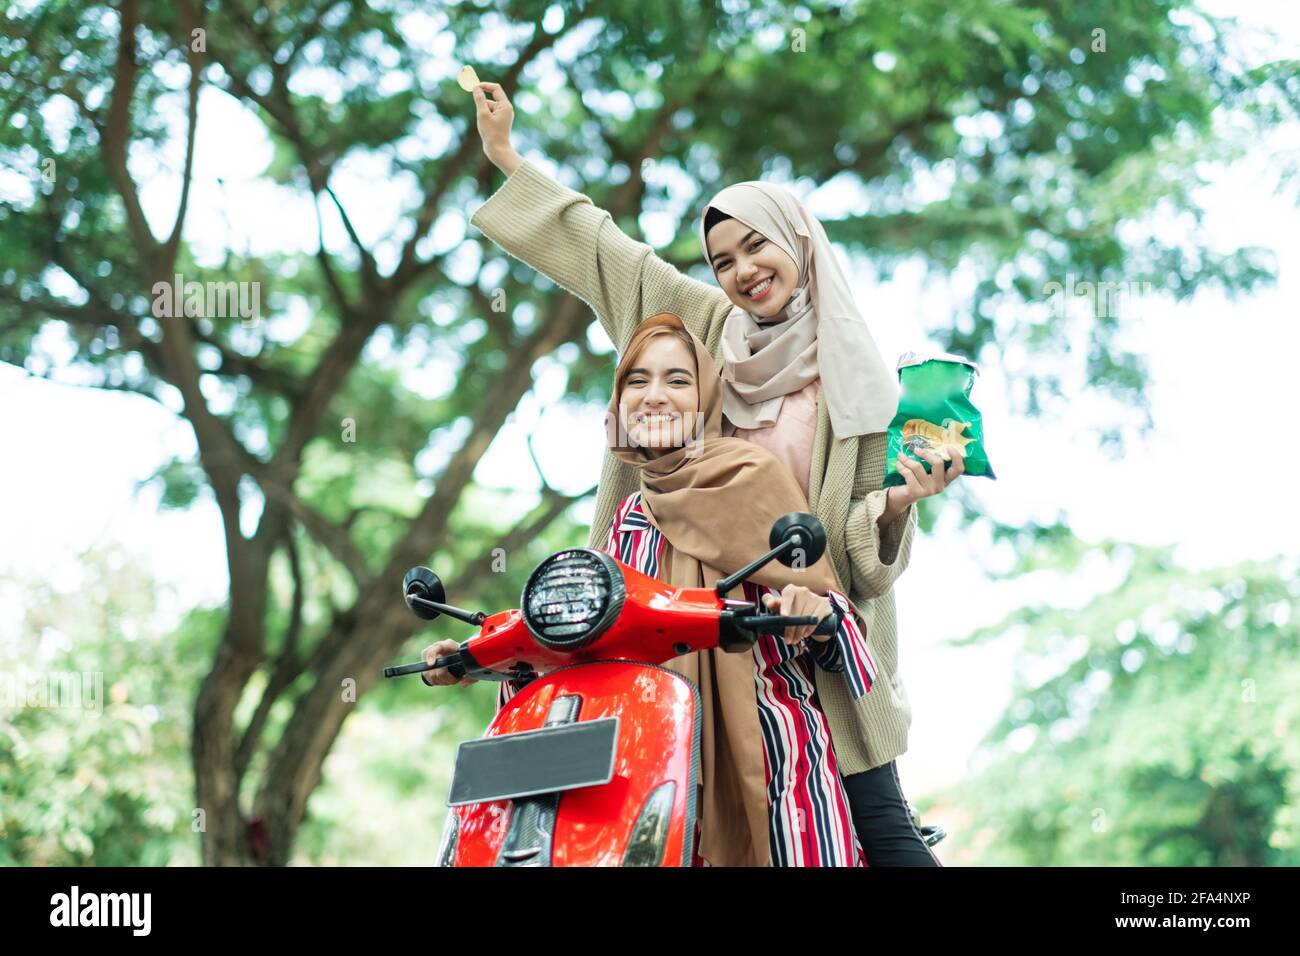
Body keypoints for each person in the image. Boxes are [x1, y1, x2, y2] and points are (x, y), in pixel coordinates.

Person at [460, 80, 962, 865]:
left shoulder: (860, 385)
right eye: (723, 259)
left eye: (758, 245)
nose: (743, 270)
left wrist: (898, 504)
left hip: (804, 633)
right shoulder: (700, 325)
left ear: (797, 243)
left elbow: (857, 563)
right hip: (674, 622)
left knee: (884, 835)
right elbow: (603, 250)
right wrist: (507, 157)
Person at [426, 313, 878, 867]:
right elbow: (591, 644)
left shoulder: (748, 475)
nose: (654, 396)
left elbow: (834, 609)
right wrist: (485, 657)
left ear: (705, 397)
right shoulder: (629, 516)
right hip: (651, 754)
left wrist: (812, 611)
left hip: (771, 750)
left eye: (677, 380)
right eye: (637, 381)